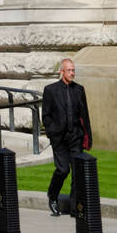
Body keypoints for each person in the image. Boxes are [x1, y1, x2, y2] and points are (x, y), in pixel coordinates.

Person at [42, 58, 92, 216]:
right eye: (69, 70)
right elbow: (46, 116)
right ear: (61, 71)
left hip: (75, 137)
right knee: (63, 170)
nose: (72, 73)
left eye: (73, 70)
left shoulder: (79, 90)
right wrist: (52, 132)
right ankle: (53, 195)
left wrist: (87, 137)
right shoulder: (50, 90)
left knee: (78, 172)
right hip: (59, 138)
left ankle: (75, 207)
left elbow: (85, 115)